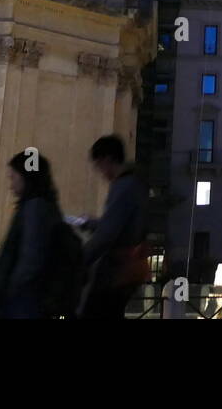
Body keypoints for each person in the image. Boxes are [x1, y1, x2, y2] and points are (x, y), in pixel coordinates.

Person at [0, 151, 66, 319]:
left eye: (13, 177)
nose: (11, 185)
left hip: (22, 303)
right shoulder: (44, 207)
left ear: (26, 177)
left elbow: (31, 259)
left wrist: (6, 293)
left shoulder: (34, 208)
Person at [79, 135, 148, 320]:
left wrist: (78, 260)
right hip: (129, 269)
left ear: (107, 160)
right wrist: (94, 224)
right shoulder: (136, 183)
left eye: (98, 165)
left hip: (116, 270)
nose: (100, 172)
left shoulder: (123, 186)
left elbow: (107, 235)